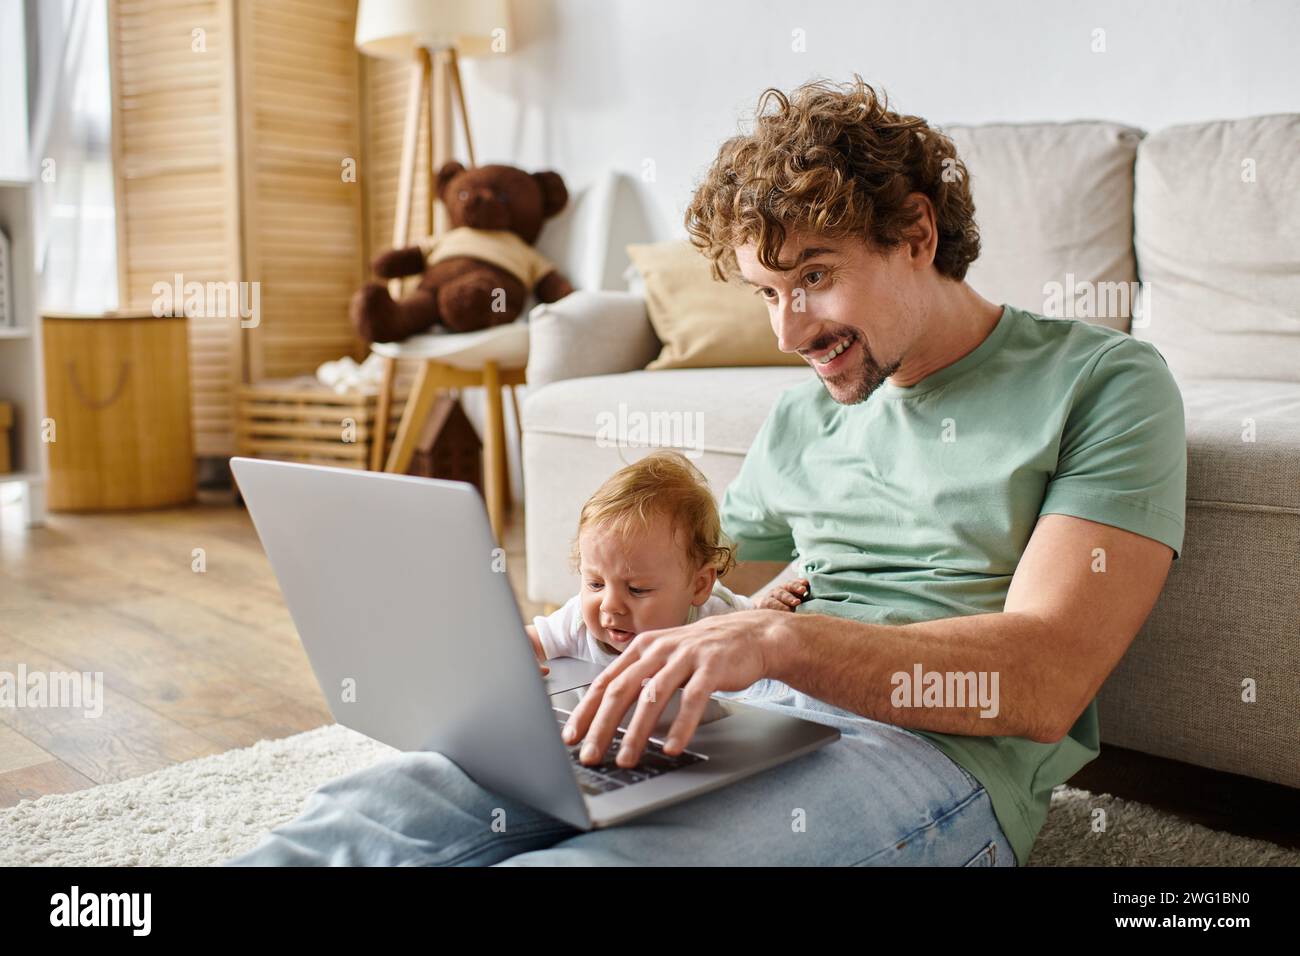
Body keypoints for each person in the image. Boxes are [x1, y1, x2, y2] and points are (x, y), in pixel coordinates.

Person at [225, 74, 1184, 867]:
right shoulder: (812, 409)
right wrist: (552, 641)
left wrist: (779, 647)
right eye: (768, 291)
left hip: (931, 762)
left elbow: (1046, 677)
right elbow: (697, 586)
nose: (789, 331)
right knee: (372, 818)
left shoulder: (1102, 384)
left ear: (918, 236)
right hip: (754, 718)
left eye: (813, 275)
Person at [523, 449, 810, 674]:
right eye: (595, 584)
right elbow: (524, 642)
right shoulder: (577, 624)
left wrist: (769, 608)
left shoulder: (715, 618)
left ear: (699, 586)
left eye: (637, 589)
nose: (609, 605)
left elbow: (755, 623)